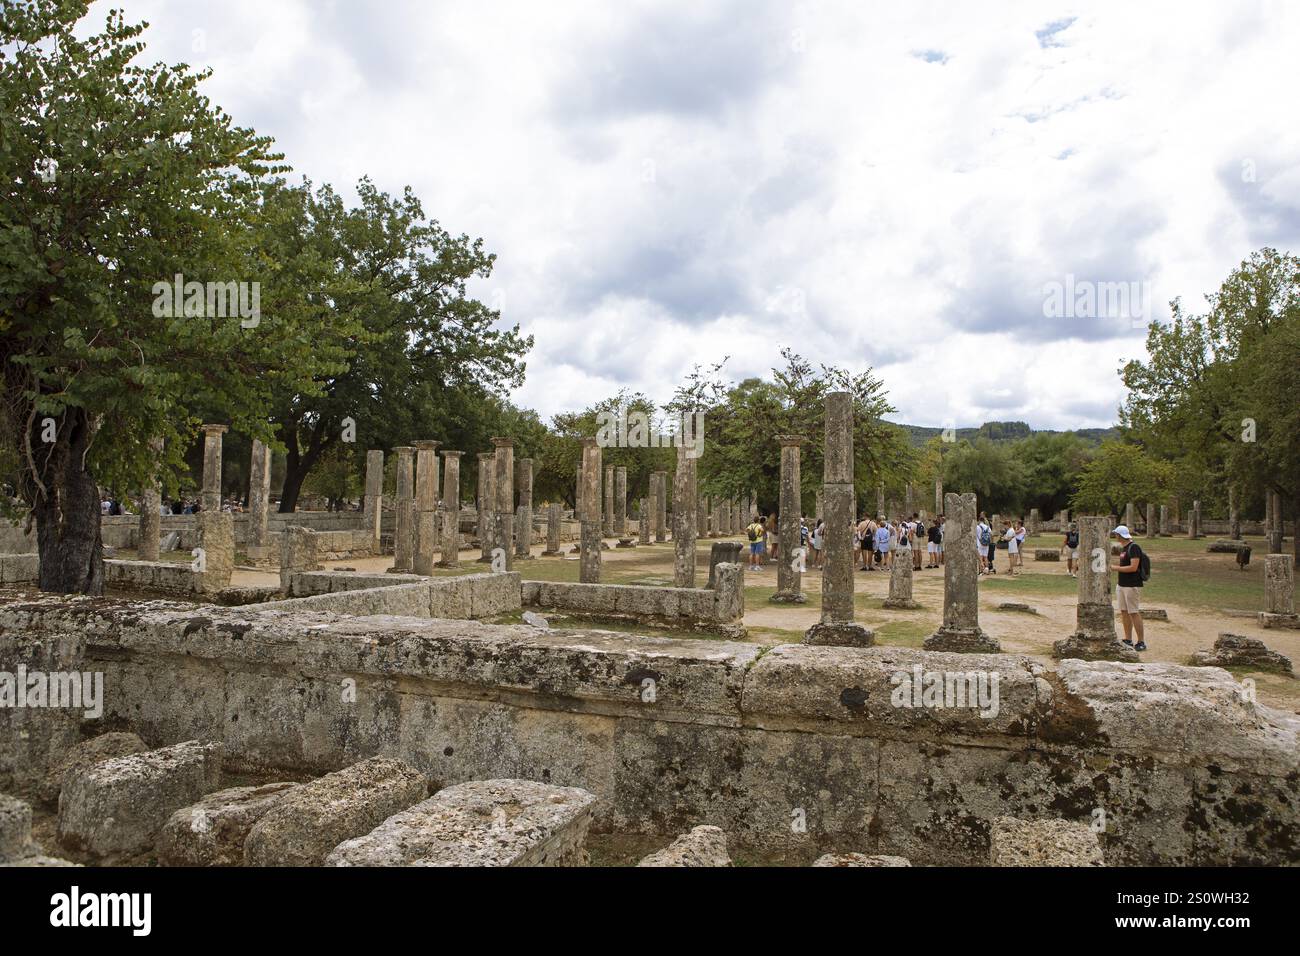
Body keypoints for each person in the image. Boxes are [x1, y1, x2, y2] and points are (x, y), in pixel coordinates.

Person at [1111, 525, 1148, 651]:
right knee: (1124, 611)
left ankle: (1141, 641)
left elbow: (1133, 567)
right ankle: (1128, 639)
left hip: (1132, 585)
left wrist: (1115, 568)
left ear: (1120, 535)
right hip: (1122, 584)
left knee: (1133, 612)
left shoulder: (1134, 547)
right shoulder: (1124, 548)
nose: (1115, 536)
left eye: (1116, 534)